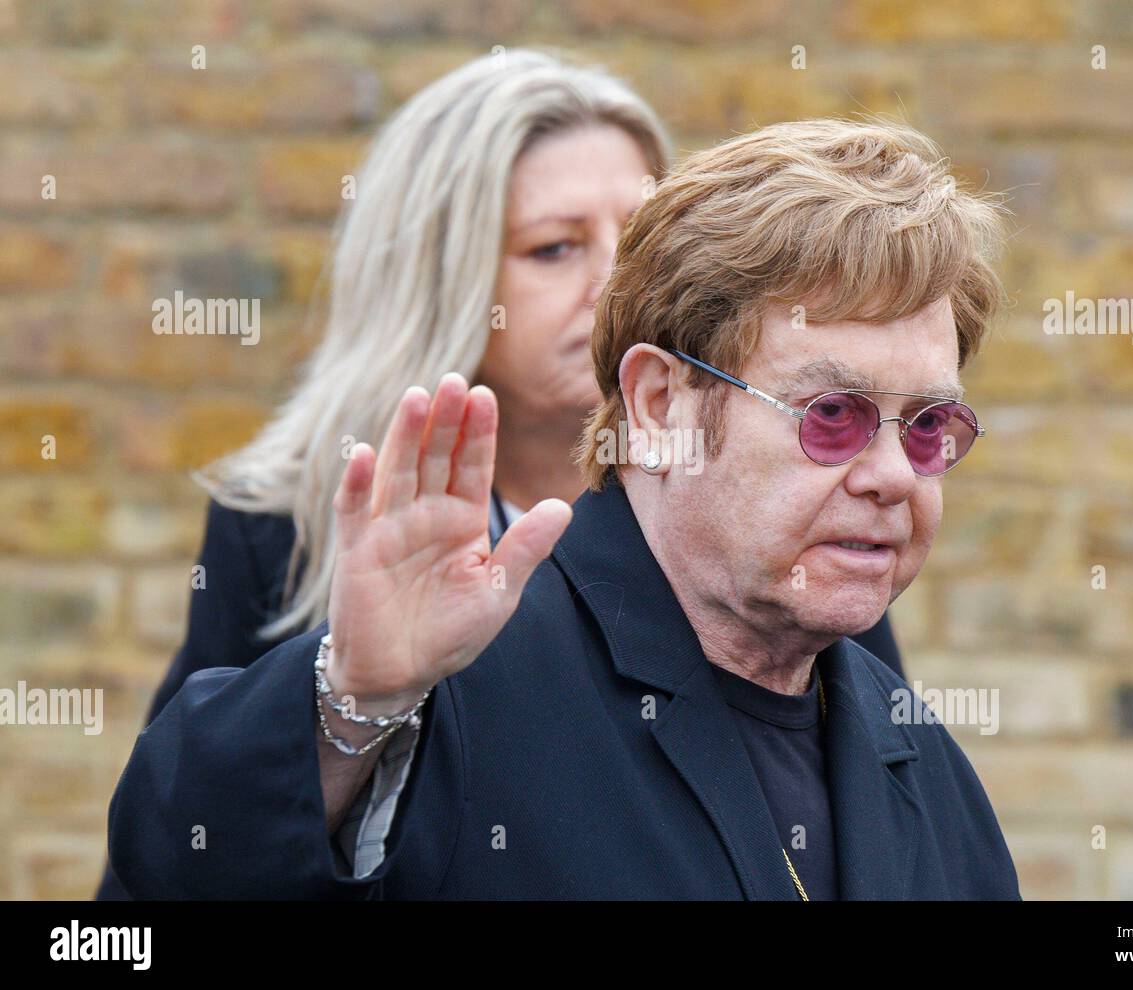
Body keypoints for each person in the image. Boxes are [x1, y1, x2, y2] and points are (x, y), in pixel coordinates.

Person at [95, 49, 907, 900]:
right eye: (554, 248)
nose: (612, 283)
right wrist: (350, 707)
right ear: (442, 282)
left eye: (641, 243)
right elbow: (170, 868)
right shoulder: (289, 517)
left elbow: (879, 823)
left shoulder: (767, 516)